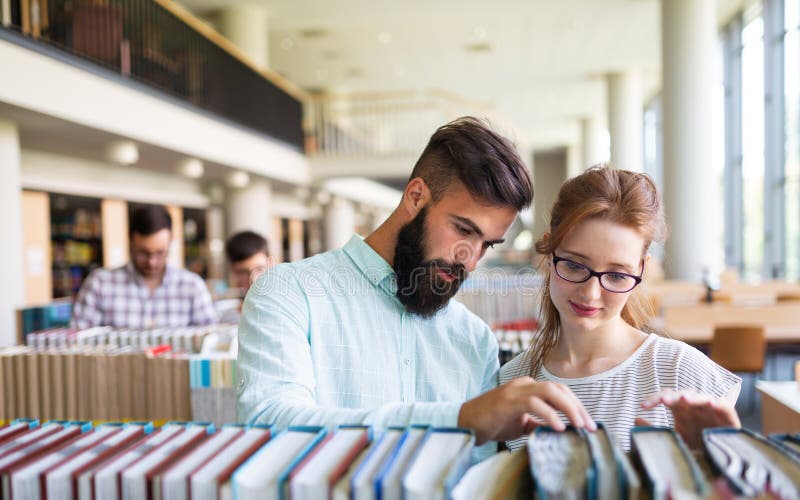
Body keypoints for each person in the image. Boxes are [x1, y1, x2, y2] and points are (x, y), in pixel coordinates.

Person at [238, 117, 595, 458]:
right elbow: (271, 426)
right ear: (415, 196)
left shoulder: (475, 341)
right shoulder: (289, 293)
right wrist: (458, 420)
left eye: (486, 244)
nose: (470, 260)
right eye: (463, 230)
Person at [499, 166, 741, 451]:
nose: (590, 293)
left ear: (641, 270)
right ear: (550, 254)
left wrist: (710, 459)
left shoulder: (683, 373)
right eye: (574, 266)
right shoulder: (512, 382)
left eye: (616, 275)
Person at [71, 205, 217, 329]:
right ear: (130, 241)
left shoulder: (192, 286)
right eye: (143, 253)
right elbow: (78, 339)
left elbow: (210, 340)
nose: (152, 262)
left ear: (170, 241)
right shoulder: (99, 284)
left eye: (160, 253)